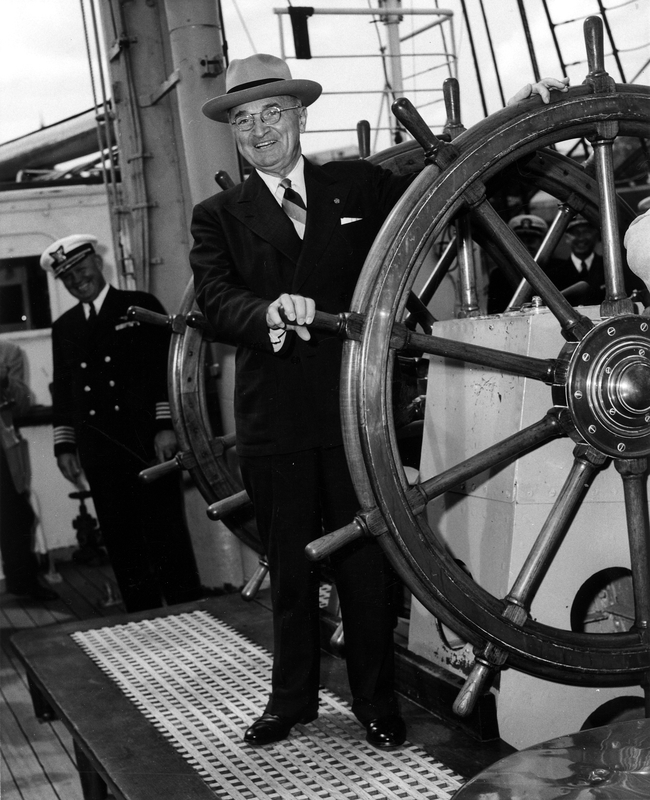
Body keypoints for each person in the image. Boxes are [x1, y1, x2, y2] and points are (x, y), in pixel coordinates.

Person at [190, 53, 570, 750]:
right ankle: (292, 700)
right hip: (275, 422)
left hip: (356, 417)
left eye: (273, 112)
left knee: (368, 572)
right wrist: (268, 310)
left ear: (301, 116)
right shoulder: (218, 216)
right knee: (294, 570)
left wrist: (518, 111)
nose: (261, 129)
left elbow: (450, 173)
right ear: (235, 135)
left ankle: (374, 701)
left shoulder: (358, 186)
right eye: (245, 119)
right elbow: (215, 301)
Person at [41, 235, 202, 613]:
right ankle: (143, 618)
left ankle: (190, 612)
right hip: (100, 452)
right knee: (122, 541)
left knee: (166, 535)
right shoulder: (64, 328)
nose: (78, 280)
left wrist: (167, 425)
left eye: (81, 270)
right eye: (68, 278)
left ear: (98, 263)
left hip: (148, 443)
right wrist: (64, 446)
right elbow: (63, 391)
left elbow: (168, 370)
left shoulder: (139, 306)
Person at [0, 341, 58, 601]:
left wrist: (3, 380)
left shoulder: (8, 353)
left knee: (18, 516)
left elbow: (22, 405)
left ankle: (22, 584)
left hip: (1, 447)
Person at [487, 213, 549, 312]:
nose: (525, 247)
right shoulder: (498, 276)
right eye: (520, 242)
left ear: (542, 242)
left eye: (530, 240)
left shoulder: (557, 270)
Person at [545, 216, 606, 304]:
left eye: (586, 232)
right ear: (567, 238)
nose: (581, 238)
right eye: (574, 233)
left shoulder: (609, 268)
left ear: (596, 235)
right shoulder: (553, 274)